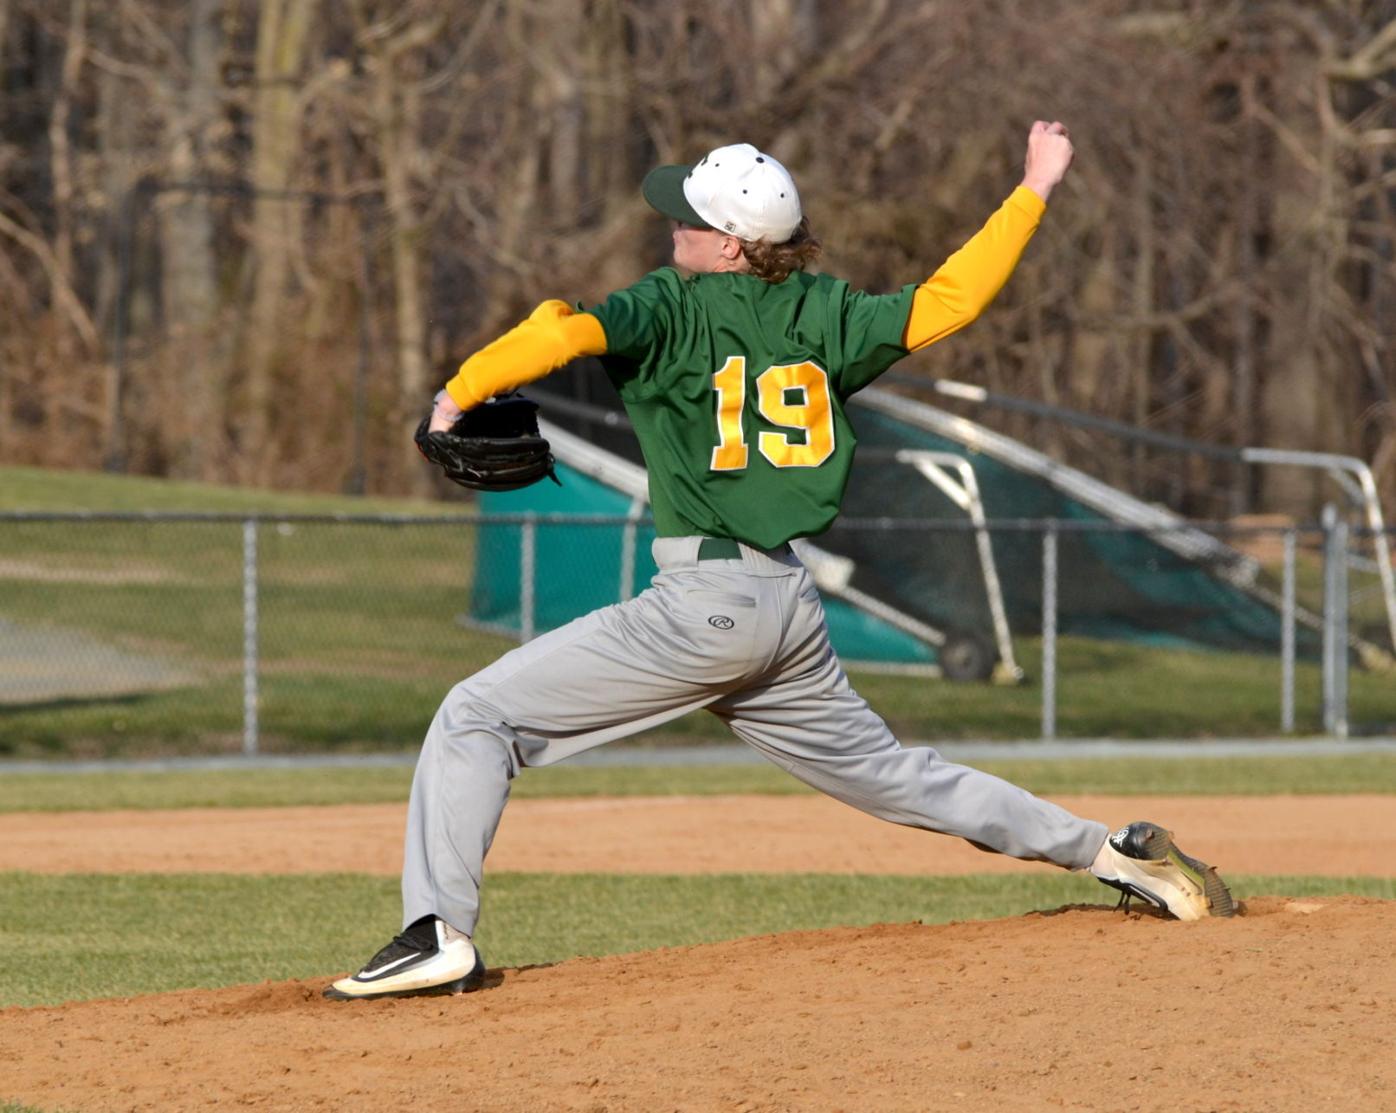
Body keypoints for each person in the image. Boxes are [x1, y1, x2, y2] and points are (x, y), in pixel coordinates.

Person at [324, 122, 1234, 1001]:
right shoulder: (828, 311)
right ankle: (1115, 853)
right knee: (898, 776)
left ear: (730, 247)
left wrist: (455, 395)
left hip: (702, 604)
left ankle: (436, 930)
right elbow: (953, 298)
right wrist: (1035, 186)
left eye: (691, 218)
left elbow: (560, 331)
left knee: (476, 714)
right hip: (789, 611)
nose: (672, 227)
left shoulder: (669, 305)